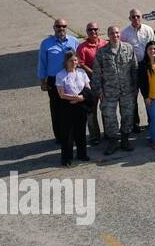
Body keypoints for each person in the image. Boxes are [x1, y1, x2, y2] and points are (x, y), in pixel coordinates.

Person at [95, 25, 139, 155]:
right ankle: (113, 141)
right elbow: (96, 73)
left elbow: (134, 69)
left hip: (127, 90)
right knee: (109, 117)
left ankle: (125, 139)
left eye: (117, 33)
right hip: (109, 91)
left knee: (128, 115)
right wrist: (99, 91)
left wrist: (135, 88)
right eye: (112, 33)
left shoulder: (128, 48)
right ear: (108, 36)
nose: (115, 35)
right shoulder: (102, 52)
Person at [38, 18, 79, 148]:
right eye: (58, 26)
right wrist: (42, 81)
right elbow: (42, 63)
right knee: (56, 109)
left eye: (63, 26)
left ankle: (72, 135)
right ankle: (60, 137)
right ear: (54, 27)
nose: (61, 28)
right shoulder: (46, 44)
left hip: (70, 78)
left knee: (71, 108)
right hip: (54, 80)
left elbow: (77, 61)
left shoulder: (74, 41)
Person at [54, 50, 91, 166]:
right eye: (71, 60)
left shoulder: (82, 72)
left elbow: (88, 88)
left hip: (81, 105)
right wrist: (76, 98)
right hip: (67, 106)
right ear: (66, 62)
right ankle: (66, 158)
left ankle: (82, 154)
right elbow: (61, 94)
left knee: (80, 131)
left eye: (75, 60)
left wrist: (82, 98)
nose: (74, 62)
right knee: (67, 134)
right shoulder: (60, 75)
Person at [75, 23, 105, 146]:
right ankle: (95, 136)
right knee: (91, 111)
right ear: (87, 32)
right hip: (90, 83)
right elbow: (81, 64)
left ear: (99, 30)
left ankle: (109, 133)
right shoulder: (82, 47)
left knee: (107, 108)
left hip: (105, 82)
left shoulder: (105, 43)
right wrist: (94, 73)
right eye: (90, 30)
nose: (93, 31)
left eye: (95, 29)